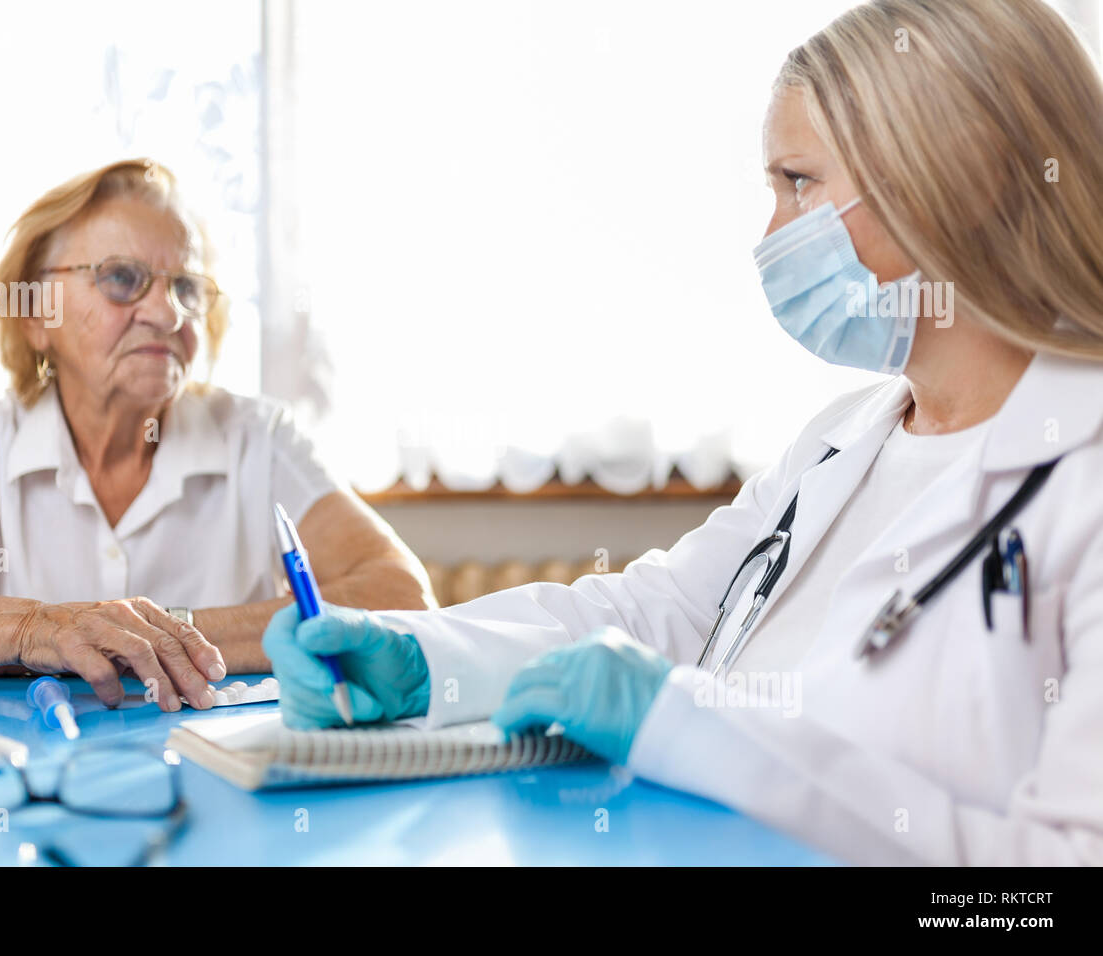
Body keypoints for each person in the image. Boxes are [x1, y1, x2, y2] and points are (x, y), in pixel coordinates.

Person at [262, 0, 1103, 865]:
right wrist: (421, 657)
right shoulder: (845, 441)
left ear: (960, 177)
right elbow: (659, 610)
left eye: (799, 183)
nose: (774, 235)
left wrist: (698, 732)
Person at [0, 159, 433, 713]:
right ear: (34, 316)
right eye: (122, 279)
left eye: (186, 287)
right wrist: (31, 628)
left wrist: (162, 634)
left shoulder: (258, 437)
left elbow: (401, 597)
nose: (167, 313)